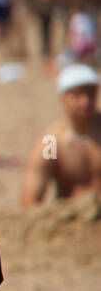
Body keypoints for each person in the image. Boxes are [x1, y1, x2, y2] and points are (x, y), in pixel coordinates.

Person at [22, 64, 101, 205]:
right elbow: (31, 200)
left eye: (91, 92)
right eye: (77, 94)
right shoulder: (51, 142)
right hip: (73, 221)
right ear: (62, 98)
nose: (86, 101)